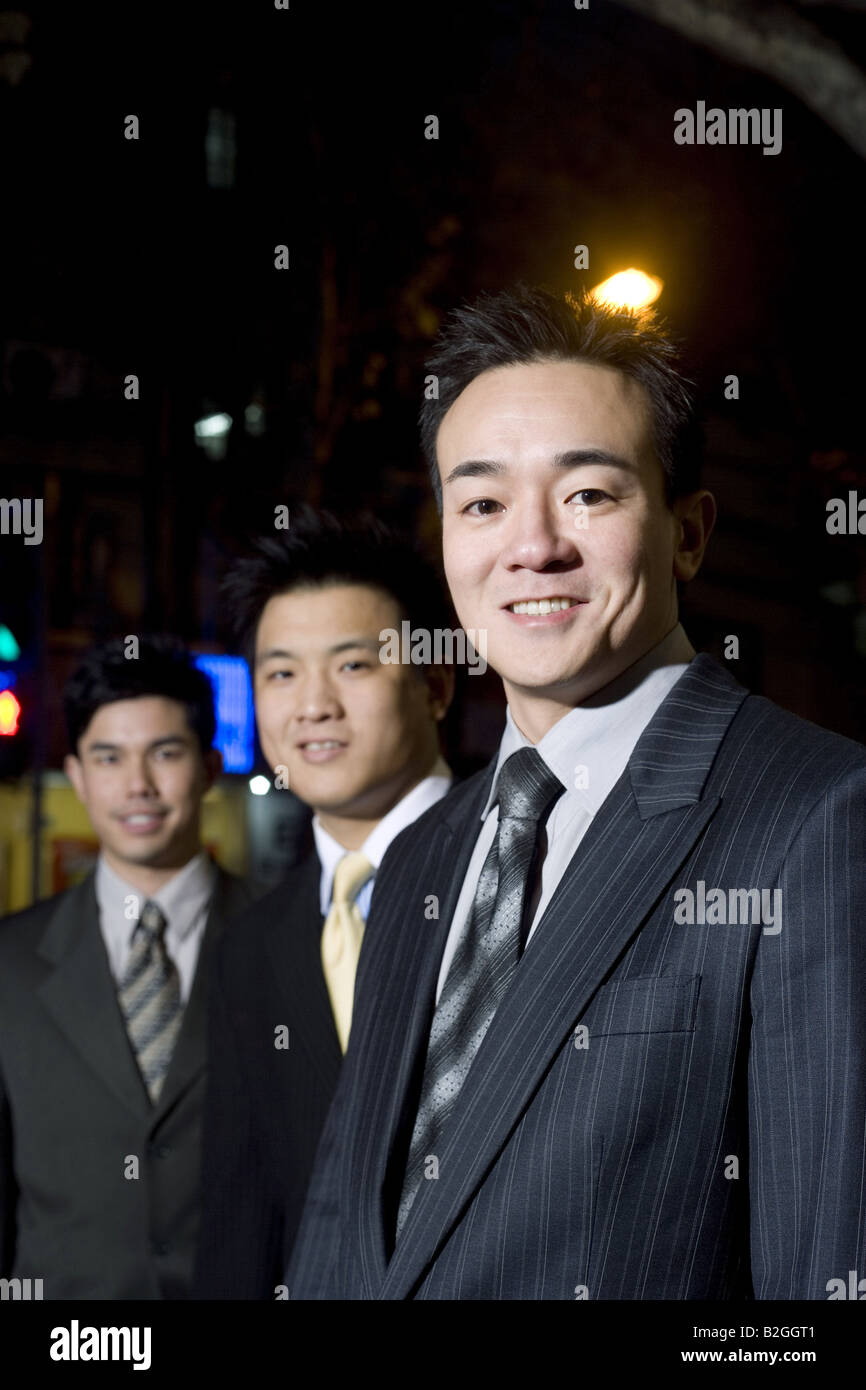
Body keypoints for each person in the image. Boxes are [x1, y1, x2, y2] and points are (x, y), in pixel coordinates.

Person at [287, 284, 866, 1300]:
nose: (531, 545)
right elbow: (349, 1237)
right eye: (480, 503)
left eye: (588, 495)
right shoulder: (424, 848)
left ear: (687, 532)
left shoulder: (816, 817)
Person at [194, 508, 456, 1298]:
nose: (312, 706)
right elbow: (242, 1219)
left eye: (351, 666)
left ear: (435, 685)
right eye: (280, 673)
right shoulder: (251, 944)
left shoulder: (523, 865)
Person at [0, 635, 253, 1299]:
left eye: (164, 754)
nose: (137, 785)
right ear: (78, 775)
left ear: (208, 765)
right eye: (108, 758)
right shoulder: (9, 963)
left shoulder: (289, 943)